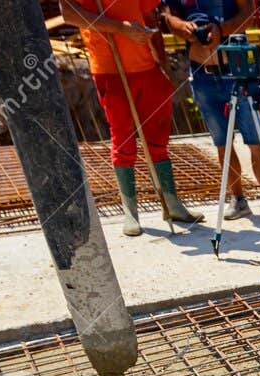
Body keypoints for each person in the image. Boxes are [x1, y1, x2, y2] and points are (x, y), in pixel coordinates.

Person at [61, 0, 202, 236]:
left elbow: (149, 18)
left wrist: (162, 62)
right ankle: (130, 212)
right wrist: (122, 28)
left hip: (147, 67)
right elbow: (69, 14)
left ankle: (172, 204)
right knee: (123, 140)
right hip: (110, 68)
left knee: (157, 141)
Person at [164, 0, 260, 222]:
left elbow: (248, 13)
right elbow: (170, 17)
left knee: (256, 141)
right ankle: (238, 199)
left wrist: (221, 29)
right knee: (222, 144)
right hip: (203, 76)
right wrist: (184, 28)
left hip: (237, 72)